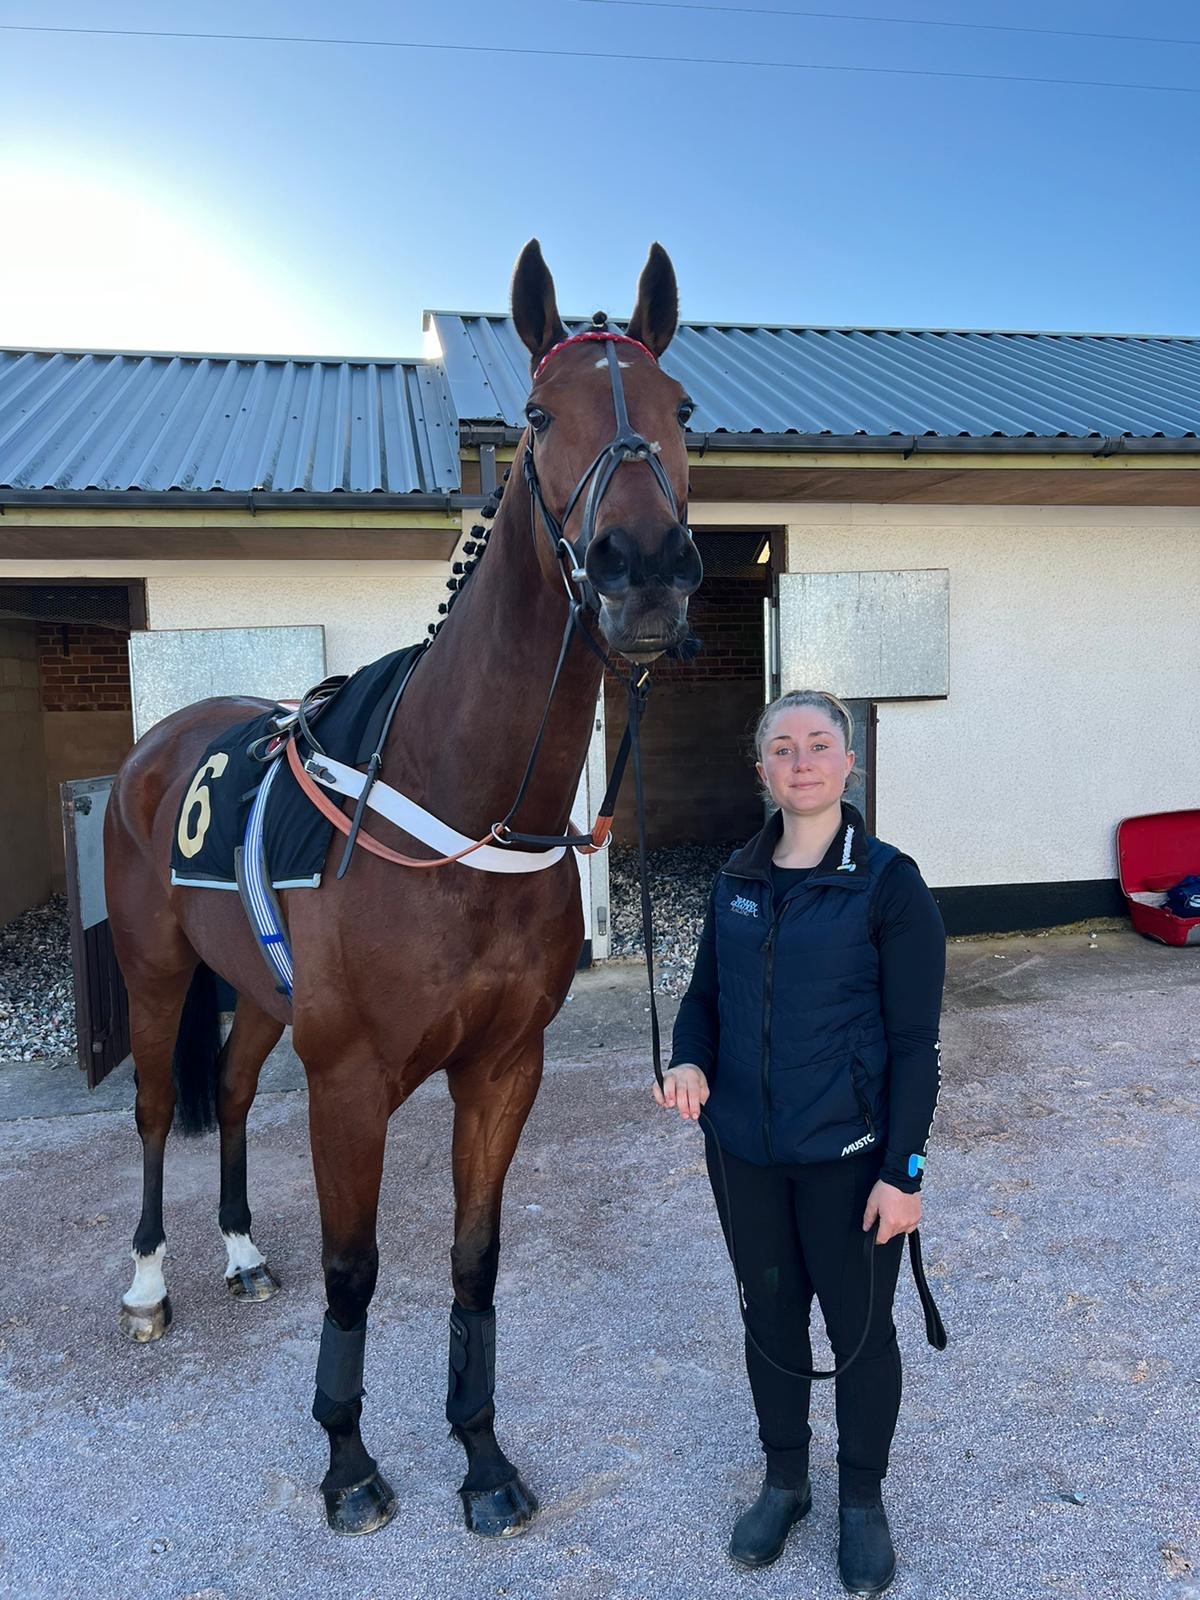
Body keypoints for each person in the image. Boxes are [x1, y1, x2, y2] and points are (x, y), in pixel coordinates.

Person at [653, 689, 945, 1598]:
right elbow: (702, 998)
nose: (803, 759)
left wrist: (904, 1174)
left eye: (820, 744)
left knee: (859, 1335)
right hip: (743, 1155)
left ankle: (861, 1500)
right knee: (768, 1321)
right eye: (783, 747)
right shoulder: (735, 878)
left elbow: (914, 1048)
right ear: (764, 770)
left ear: (849, 764)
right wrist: (691, 1061)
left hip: (850, 1161)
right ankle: (786, 1482)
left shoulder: (891, 883)